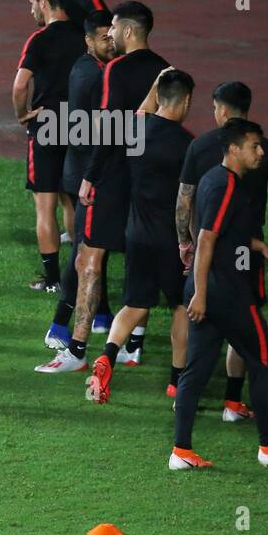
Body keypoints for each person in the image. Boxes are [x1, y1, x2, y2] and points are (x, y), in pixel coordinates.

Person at [37, 0, 168, 374]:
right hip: (150, 177)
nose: (109, 33)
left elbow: (108, 132)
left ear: (128, 31)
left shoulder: (116, 70)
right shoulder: (164, 70)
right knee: (140, 257)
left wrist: (89, 176)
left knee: (88, 260)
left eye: (113, 27)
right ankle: (135, 346)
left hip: (112, 177)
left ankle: (76, 350)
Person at [169, 120, 268, 470]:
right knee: (265, 360)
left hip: (211, 289)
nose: (261, 152)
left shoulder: (215, 180)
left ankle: (181, 451)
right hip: (227, 293)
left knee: (195, 370)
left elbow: (228, 234)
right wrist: (203, 295)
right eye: (255, 145)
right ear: (235, 149)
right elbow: (206, 239)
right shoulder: (226, 184)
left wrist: (263, 249)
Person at [85, 70, 195, 404]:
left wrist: (154, 83)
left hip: (136, 234)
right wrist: (187, 243)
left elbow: (142, 110)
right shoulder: (187, 144)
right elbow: (186, 201)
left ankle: (106, 356)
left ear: (159, 96)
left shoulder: (135, 130)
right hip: (171, 241)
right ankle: (177, 381)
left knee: (134, 304)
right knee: (180, 307)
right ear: (187, 101)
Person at [47, 10, 116, 349]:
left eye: (113, 35)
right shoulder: (93, 77)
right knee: (84, 251)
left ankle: (102, 314)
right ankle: (60, 324)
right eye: (105, 37)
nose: (111, 42)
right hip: (90, 177)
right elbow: (89, 135)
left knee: (94, 247)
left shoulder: (88, 68)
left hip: (83, 173)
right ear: (89, 41)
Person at [13, 0, 85, 292]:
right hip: (79, 123)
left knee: (45, 205)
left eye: (32, 4)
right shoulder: (84, 35)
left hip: (46, 124)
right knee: (70, 200)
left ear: (43, 2)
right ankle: (80, 268)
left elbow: (19, 85)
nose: (32, 11)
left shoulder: (39, 39)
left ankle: (53, 279)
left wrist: (22, 114)